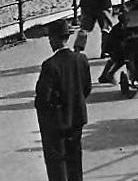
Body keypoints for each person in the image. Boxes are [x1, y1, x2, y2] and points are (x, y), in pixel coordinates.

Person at [34, 18, 91, 181]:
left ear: (53, 39)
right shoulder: (81, 59)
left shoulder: (50, 65)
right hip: (77, 118)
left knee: (57, 164)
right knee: (75, 160)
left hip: (56, 122)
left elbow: (43, 98)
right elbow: (86, 88)